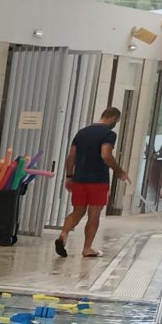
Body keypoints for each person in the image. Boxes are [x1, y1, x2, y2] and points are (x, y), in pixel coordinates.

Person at [57, 106, 127, 259]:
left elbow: (71, 157)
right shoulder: (109, 134)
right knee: (93, 215)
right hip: (98, 181)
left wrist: (69, 176)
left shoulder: (82, 132)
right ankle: (87, 248)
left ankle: (63, 234)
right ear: (114, 119)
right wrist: (119, 171)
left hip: (80, 180)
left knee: (77, 212)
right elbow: (106, 154)